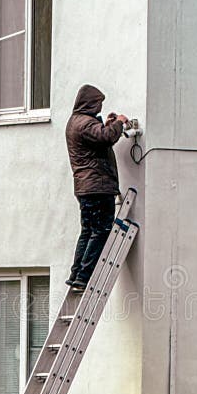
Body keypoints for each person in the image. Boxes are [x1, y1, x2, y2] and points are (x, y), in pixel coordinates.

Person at [65, 84, 129, 291]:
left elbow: (98, 137)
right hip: (98, 186)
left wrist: (108, 124)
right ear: (90, 103)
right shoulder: (84, 123)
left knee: (88, 231)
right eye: (98, 103)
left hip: (86, 187)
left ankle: (76, 275)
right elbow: (106, 137)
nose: (100, 108)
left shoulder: (76, 122)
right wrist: (119, 123)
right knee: (101, 230)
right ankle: (84, 277)